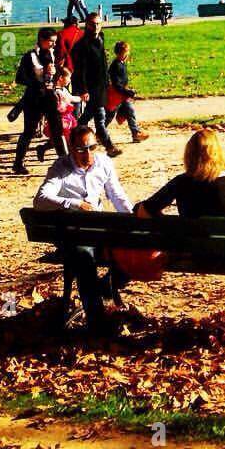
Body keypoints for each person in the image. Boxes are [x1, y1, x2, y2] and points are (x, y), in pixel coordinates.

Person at [33, 125, 133, 332]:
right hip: (73, 233)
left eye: (92, 147)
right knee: (83, 257)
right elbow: (41, 199)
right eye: (81, 149)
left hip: (97, 229)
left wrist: (132, 221)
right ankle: (97, 322)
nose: (87, 154)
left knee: (135, 246)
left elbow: (117, 195)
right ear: (71, 149)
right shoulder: (61, 169)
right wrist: (74, 204)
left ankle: (105, 287)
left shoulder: (104, 163)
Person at [136, 128, 225, 220]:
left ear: (189, 154)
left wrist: (168, 224)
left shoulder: (181, 182)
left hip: (191, 244)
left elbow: (143, 211)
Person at [12, 27, 68, 173]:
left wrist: (55, 75)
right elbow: (20, 78)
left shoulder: (51, 54)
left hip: (49, 97)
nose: (54, 45)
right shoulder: (29, 56)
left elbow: (53, 76)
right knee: (29, 131)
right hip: (34, 98)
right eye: (51, 42)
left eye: (55, 42)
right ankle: (18, 163)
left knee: (58, 130)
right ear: (42, 40)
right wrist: (41, 74)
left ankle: (66, 161)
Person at [70, 12, 122, 158]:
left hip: (102, 86)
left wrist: (108, 81)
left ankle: (70, 136)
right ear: (86, 25)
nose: (96, 27)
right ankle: (109, 147)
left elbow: (102, 63)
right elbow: (81, 70)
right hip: (90, 87)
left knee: (86, 118)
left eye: (98, 23)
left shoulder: (101, 37)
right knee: (99, 117)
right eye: (93, 24)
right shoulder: (82, 46)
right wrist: (83, 90)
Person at [37, 65, 87, 161]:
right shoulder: (58, 92)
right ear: (60, 78)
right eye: (68, 78)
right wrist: (81, 98)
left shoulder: (64, 90)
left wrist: (81, 98)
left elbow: (72, 98)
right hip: (61, 120)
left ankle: (43, 148)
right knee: (62, 138)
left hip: (66, 119)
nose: (69, 80)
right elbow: (70, 99)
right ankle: (67, 157)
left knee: (59, 139)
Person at [107, 40, 149, 143]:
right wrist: (128, 92)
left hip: (122, 94)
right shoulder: (116, 65)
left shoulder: (121, 64)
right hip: (117, 95)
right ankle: (100, 132)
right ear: (119, 53)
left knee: (130, 111)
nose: (126, 54)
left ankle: (135, 133)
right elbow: (117, 84)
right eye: (125, 52)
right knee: (110, 115)